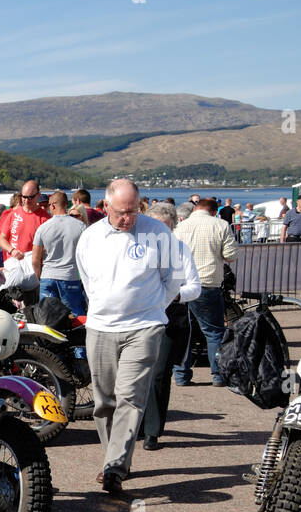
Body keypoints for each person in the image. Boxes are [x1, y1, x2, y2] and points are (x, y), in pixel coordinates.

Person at [75, 179, 191, 495]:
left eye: (133, 211)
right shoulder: (90, 237)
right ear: (106, 206)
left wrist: (154, 309)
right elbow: (88, 280)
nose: (128, 218)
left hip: (144, 328)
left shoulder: (158, 233)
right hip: (101, 328)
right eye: (121, 212)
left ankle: (114, 467)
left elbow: (174, 279)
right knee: (103, 401)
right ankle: (113, 456)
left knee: (129, 396)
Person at [140, 201, 201, 450]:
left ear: (173, 227)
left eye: (164, 227)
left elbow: (195, 288)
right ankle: (134, 424)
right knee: (135, 374)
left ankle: (152, 431)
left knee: (158, 374)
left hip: (169, 317)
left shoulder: (180, 250)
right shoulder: (139, 248)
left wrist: (176, 295)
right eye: (155, 226)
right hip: (140, 316)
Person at [173, 199, 237, 388]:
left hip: (182, 286)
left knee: (184, 331)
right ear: (214, 212)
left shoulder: (180, 227)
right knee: (214, 331)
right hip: (207, 283)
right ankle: (217, 375)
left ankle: (181, 375)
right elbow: (231, 256)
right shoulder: (221, 225)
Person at [31, 191, 87, 315]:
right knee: (75, 316)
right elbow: (87, 256)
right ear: (66, 205)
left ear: (53, 205)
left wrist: (40, 277)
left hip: (48, 276)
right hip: (70, 277)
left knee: (48, 317)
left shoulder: (43, 228)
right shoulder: (81, 226)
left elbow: (35, 259)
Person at [0, 180, 48, 264]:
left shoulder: (45, 218)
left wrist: (34, 255)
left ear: (38, 196)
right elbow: (1, 239)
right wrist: (12, 250)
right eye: (24, 197)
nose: (27, 200)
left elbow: (49, 245)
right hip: (13, 265)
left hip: (33, 266)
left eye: (30, 197)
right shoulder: (13, 214)